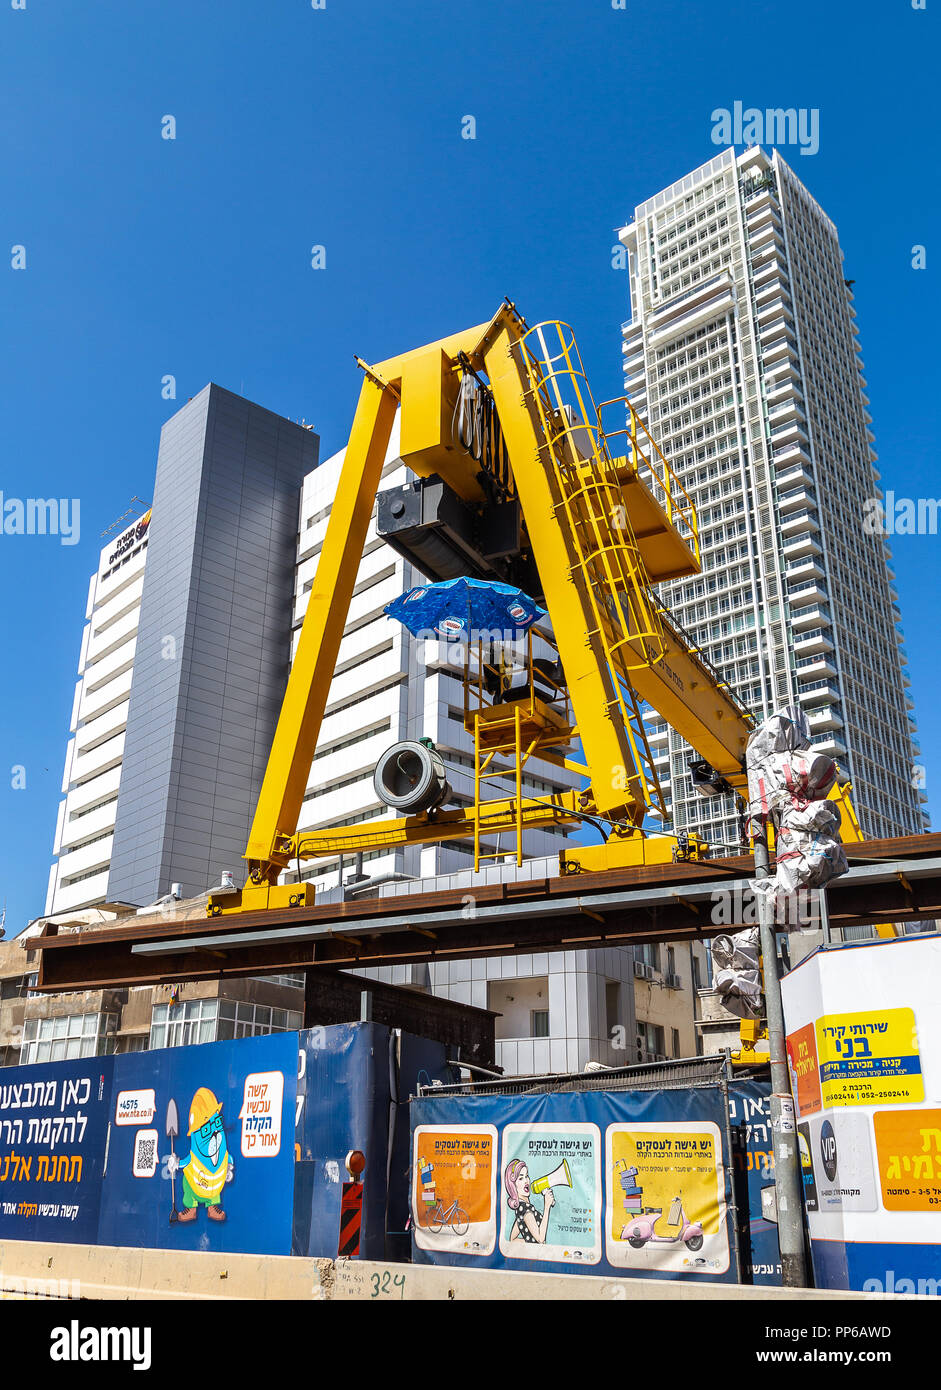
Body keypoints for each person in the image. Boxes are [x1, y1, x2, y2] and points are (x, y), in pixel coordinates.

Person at [504, 1159, 554, 1244]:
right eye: (520, 1178)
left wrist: (529, 1242)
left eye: (526, 1176)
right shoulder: (526, 1209)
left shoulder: (521, 1209)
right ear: (513, 1186)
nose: (526, 1181)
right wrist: (547, 1207)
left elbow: (512, 1240)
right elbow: (540, 1239)